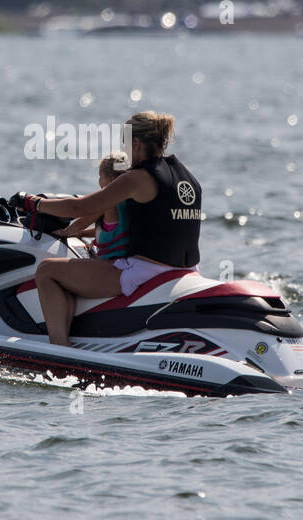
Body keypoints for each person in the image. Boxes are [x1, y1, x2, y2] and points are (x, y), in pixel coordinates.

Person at [14, 111, 203, 346]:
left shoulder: (137, 178)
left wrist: (33, 203)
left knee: (46, 271)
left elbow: (79, 207)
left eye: (125, 144)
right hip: (187, 270)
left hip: (145, 272)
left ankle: (59, 350)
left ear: (136, 143)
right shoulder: (188, 179)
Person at [54, 152, 131, 260]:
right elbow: (110, 229)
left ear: (111, 179)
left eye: (100, 176)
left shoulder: (108, 200)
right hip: (124, 255)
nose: (98, 180)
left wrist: (63, 232)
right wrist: (81, 234)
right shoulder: (128, 199)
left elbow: (83, 222)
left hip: (110, 258)